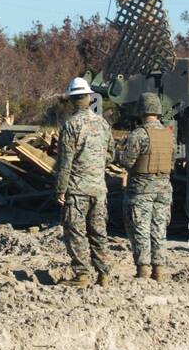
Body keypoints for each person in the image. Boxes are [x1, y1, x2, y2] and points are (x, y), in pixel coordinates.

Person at [53, 77, 114, 287]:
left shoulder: (70, 125)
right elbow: (111, 154)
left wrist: (60, 190)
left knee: (76, 232)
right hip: (99, 189)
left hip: (77, 190)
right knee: (99, 231)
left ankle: (82, 274)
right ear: (88, 97)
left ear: (71, 100)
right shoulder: (103, 124)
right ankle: (104, 274)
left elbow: (65, 162)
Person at [115, 92, 175, 281]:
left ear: (141, 111)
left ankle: (143, 270)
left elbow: (126, 161)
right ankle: (159, 270)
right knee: (159, 229)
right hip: (164, 189)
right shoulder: (168, 135)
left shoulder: (139, 134)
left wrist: (116, 153)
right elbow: (171, 163)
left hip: (141, 190)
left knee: (140, 229)